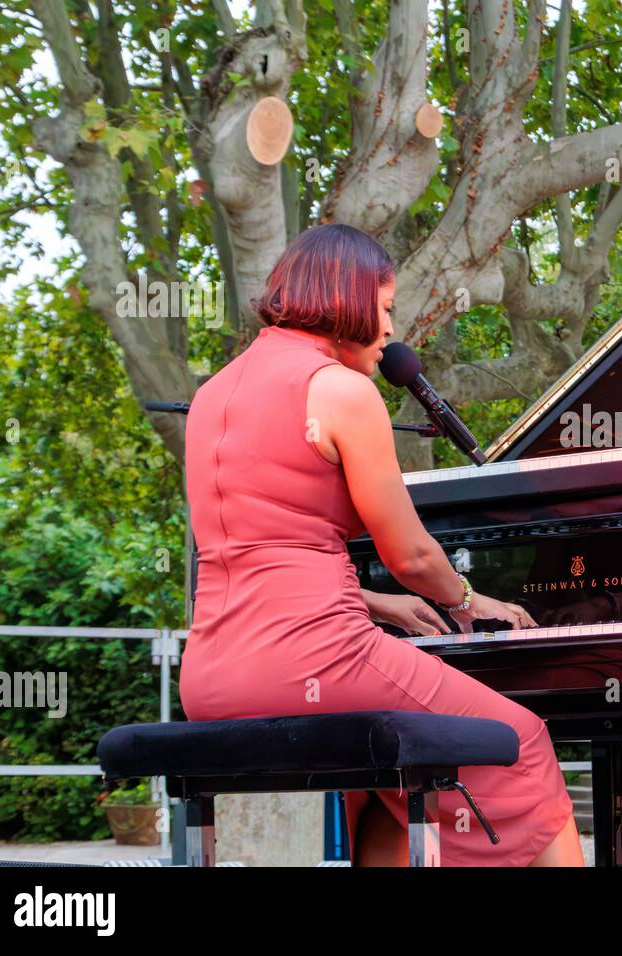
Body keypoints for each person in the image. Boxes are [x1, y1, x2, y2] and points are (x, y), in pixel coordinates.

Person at [177, 223, 583, 866]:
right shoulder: (340, 389)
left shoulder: (209, 396)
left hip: (208, 679)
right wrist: (471, 599)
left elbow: (252, 556)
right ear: (348, 296)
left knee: (387, 784)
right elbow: (412, 555)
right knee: (521, 736)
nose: (391, 330)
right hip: (314, 663)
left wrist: (379, 604)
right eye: (387, 306)